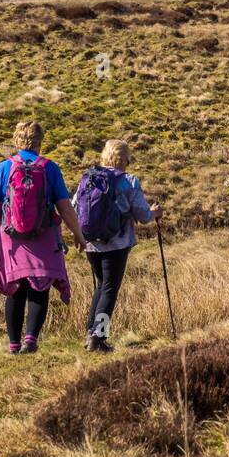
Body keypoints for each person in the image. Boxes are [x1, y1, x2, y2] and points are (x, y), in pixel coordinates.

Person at [0, 121, 86, 354]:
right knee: (40, 286)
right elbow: (65, 207)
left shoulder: (3, 168)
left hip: (10, 238)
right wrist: (78, 234)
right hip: (43, 236)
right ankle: (30, 339)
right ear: (39, 142)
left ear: (16, 140)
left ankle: (14, 344)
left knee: (16, 289)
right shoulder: (50, 168)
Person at [78, 139, 163, 353]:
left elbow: (74, 207)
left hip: (91, 243)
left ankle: (91, 332)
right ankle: (99, 338)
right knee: (110, 289)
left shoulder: (88, 178)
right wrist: (155, 212)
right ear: (125, 158)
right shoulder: (129, 181)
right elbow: (143, 216)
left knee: (101, 285)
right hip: (117, 244)